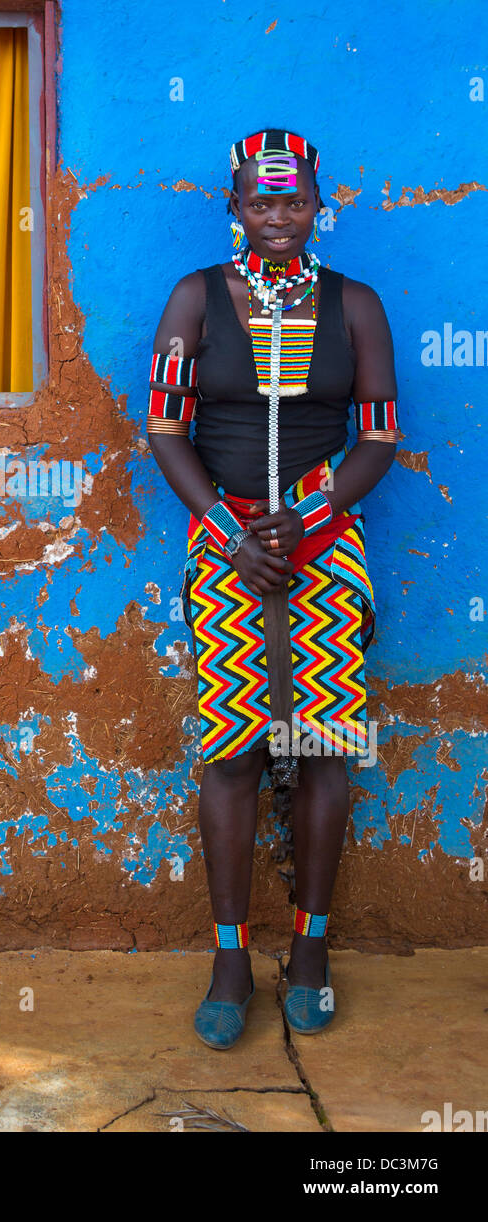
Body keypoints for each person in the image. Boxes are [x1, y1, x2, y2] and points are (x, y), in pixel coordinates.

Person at [148, 129, 399, 1048]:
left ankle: (312, 951)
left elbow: (375, 437)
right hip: (225, 547)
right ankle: (227, 958)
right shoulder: (197, 299)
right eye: (262, 202)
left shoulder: (354, 306)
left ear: (315, 206)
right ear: (236, 207)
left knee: (323, 742)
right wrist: (228, 529)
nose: (278, 218)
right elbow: (165, 432)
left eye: (294, 203)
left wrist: (310, 514)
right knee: (233, 751)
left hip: (324, 540)